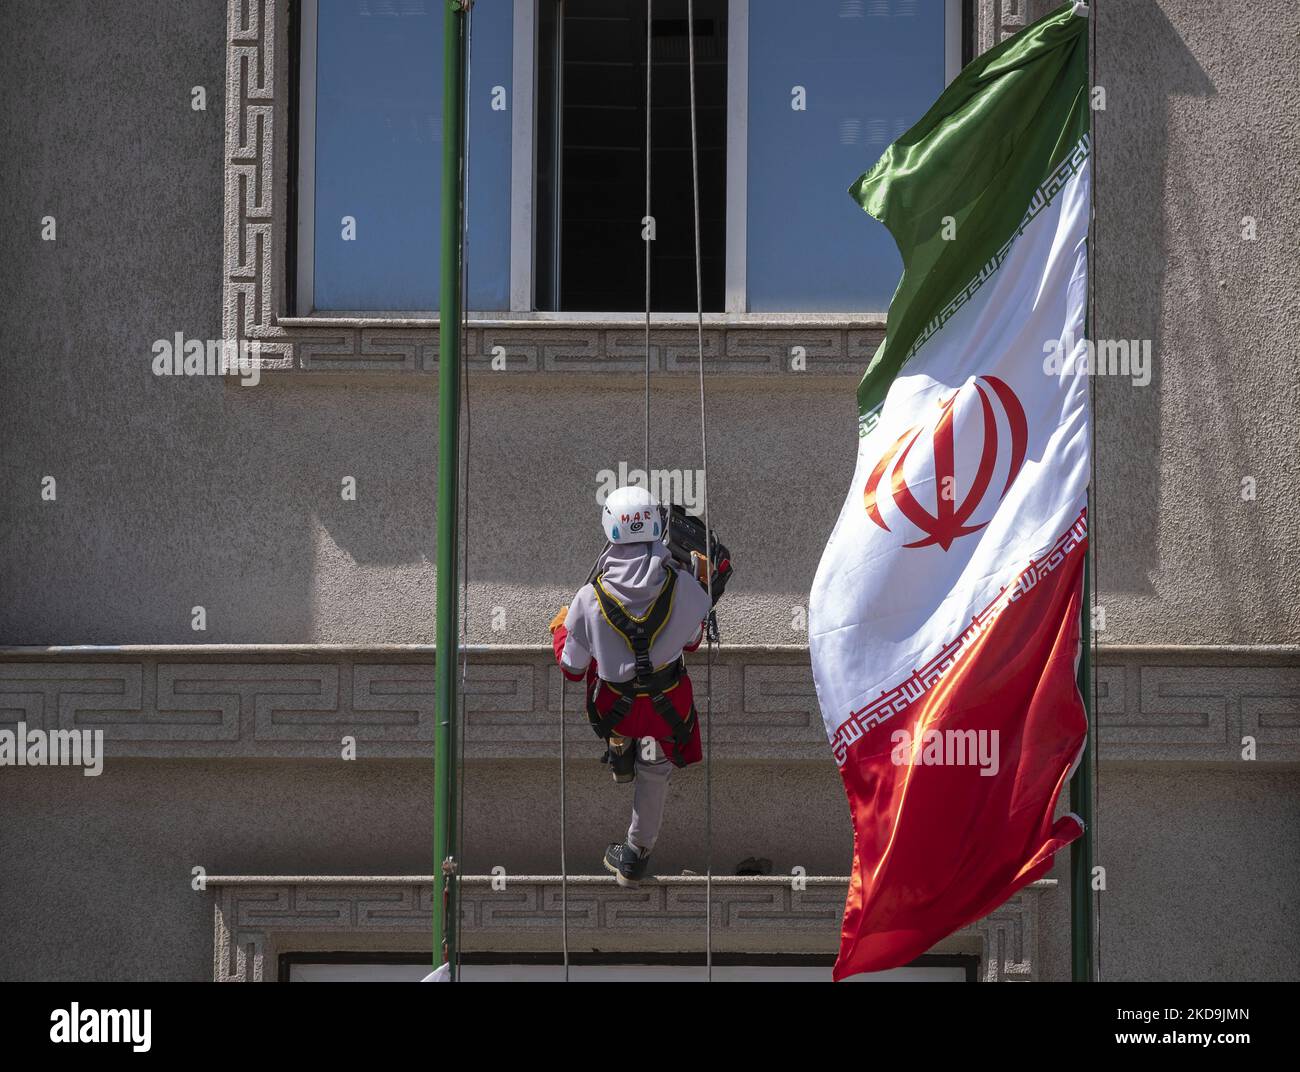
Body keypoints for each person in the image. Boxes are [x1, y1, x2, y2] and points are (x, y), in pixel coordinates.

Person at [548, 485, 732, 887]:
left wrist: (564, 627)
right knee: (656, 770)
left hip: (614, 709)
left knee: (615, 704)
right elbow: (692, 642)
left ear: (610, 529)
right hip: (669, 709)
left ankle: (620, 749)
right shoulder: (685, 587)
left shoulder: (588, 599)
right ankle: (635, 853)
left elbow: (572, 668)